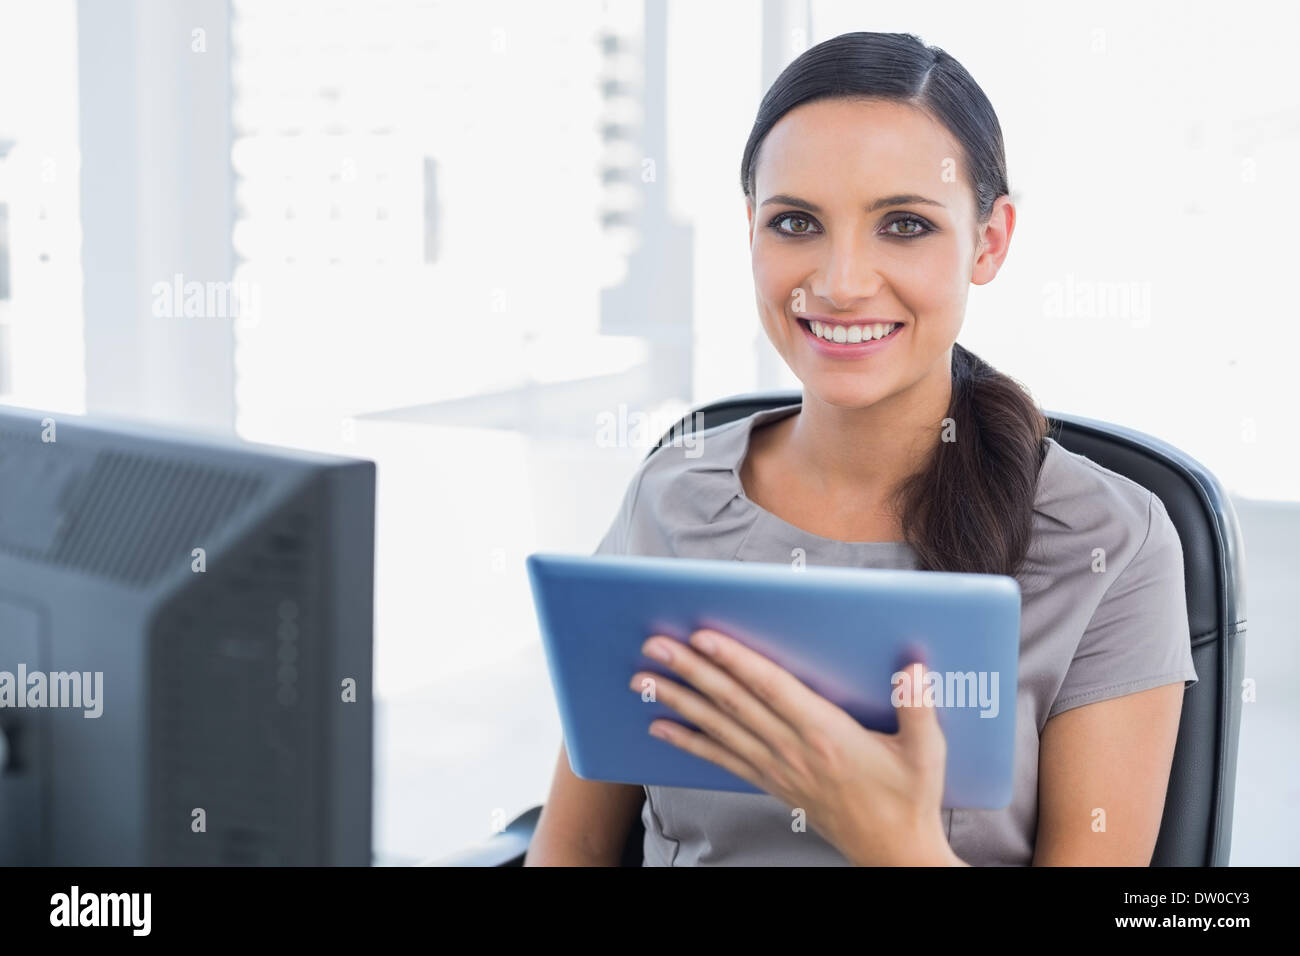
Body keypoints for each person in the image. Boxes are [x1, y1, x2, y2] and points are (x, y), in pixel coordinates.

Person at [525, 30, 1197, 866]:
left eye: (905, 224)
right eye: (796, 222)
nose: (840, 282)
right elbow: (571, 849)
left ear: (988, 242)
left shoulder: (1112, 544)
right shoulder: (673, 491)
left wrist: (895, 841)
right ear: (751, 235)